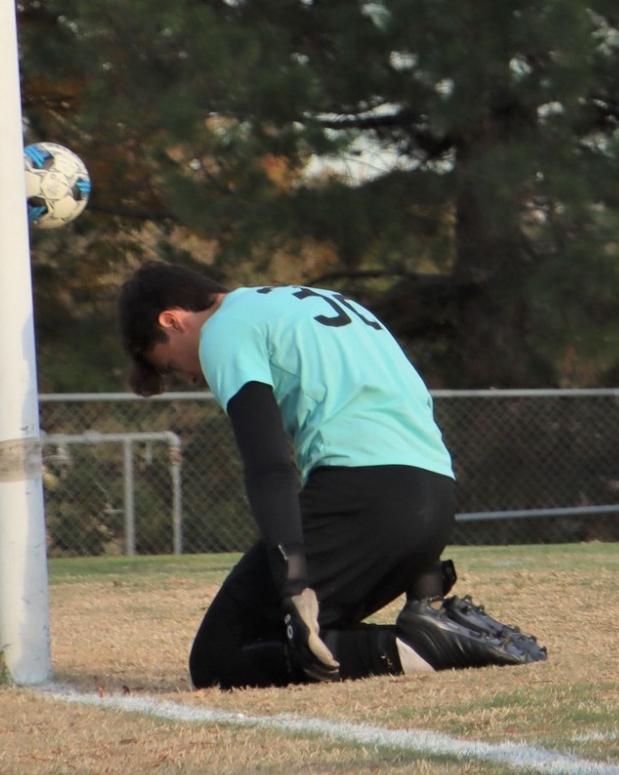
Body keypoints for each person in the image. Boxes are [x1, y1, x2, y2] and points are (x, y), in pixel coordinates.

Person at [117, 262, 545, 689]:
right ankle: (435, 630)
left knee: (219, 660)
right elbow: (403, 414)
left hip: (364, 500)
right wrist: (424, 572)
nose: (191, 377)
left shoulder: (223, 329)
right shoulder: (319, 302)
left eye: (172, 366)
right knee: (289, 640)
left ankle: (423, 648)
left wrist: (295, 580)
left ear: (171, 320)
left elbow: (269, 465)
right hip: (435, 498)